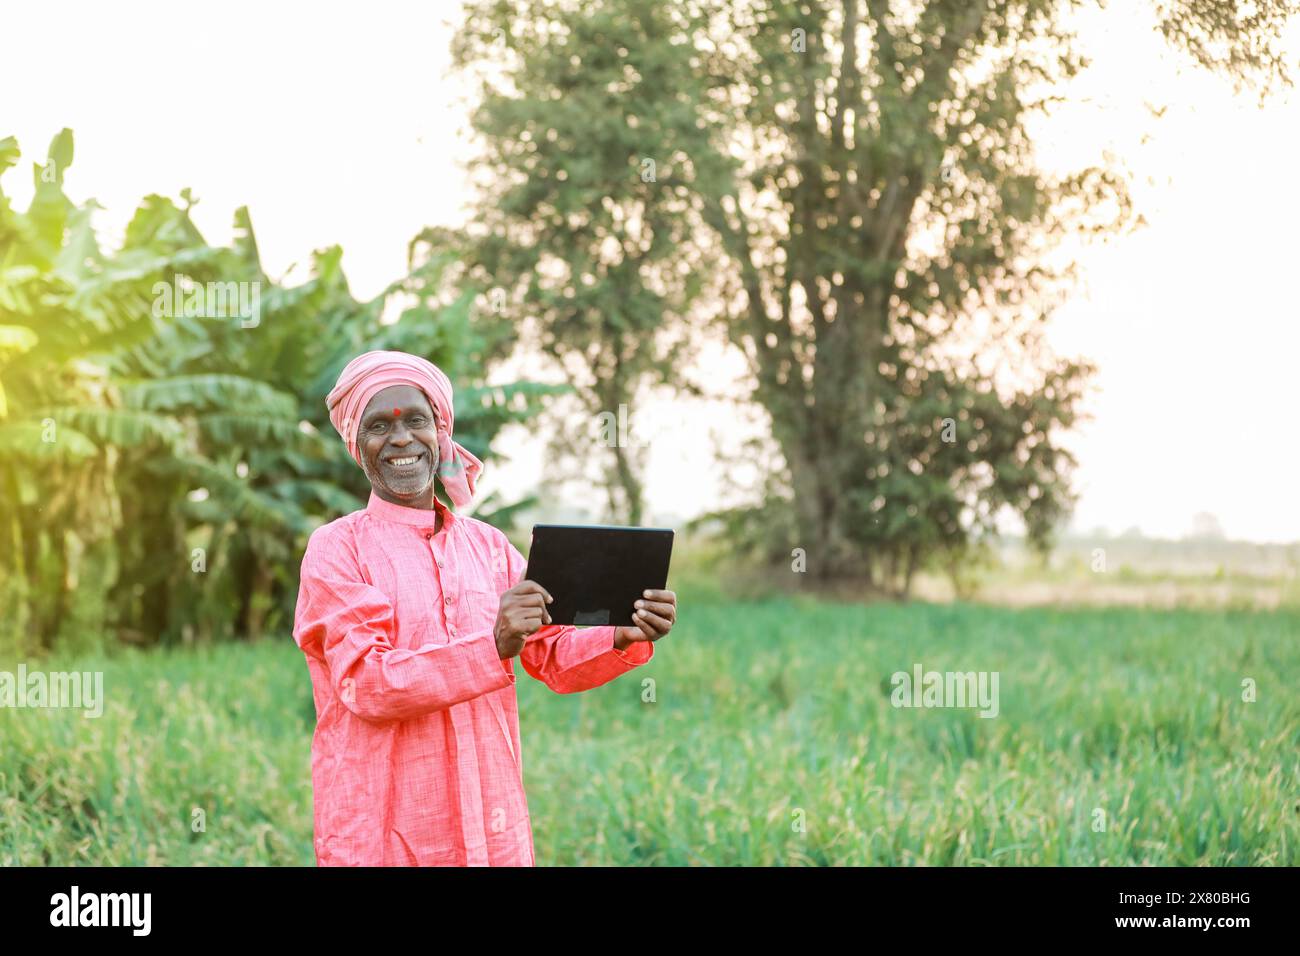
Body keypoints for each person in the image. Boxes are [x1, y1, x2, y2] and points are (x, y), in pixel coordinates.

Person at [291, 349, 677, 865]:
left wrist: (621, 636)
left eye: (417, 421)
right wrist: (493, 644)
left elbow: (549, 654)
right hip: (381, 828)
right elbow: (367, 682)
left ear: (441, 432)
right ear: (357, 446)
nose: (401, 438)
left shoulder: (490, 547)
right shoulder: (338, 548)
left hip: (490, 823)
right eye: (379, 426)